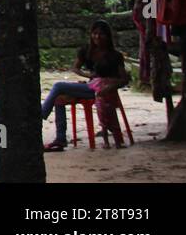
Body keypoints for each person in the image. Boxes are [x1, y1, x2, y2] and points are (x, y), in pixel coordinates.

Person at [40, 19, 130, 151]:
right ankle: (60, 139)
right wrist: (89, 76)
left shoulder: (115, 55)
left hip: (103, 90)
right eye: (95, 33)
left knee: (58, 86)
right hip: (91, 86)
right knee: (58, 99)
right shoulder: (86, 51)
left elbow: (124, 79)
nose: (97, 37)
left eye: (101, 34)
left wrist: (108, 87)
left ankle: (41, 114)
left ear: (108, 36)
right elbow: (75, 68)